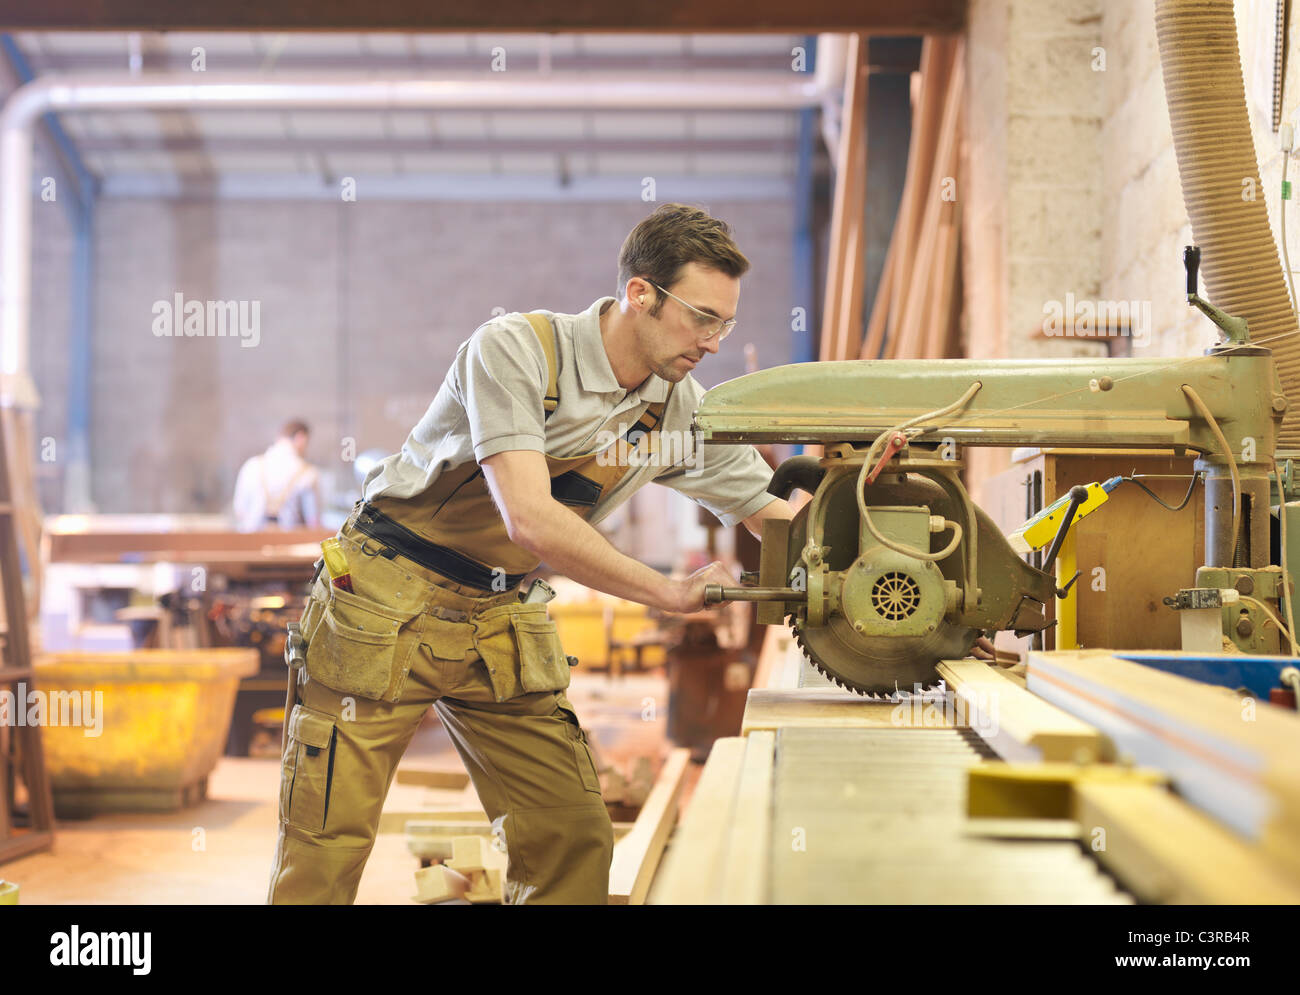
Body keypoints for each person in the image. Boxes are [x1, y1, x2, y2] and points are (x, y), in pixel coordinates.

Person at [267, 204, 795, 905]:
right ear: (641, 294)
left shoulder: (673, 408)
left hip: (495, 617)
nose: (714, 343)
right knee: (326, 850)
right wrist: (668, 591)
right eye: (702, 318)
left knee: (570, 834)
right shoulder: (515, 351)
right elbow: (529, 519)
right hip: (382, 604)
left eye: (724, 324)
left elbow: (770, 509)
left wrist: (856, 540)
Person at [232, 420, 322, 531]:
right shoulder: (308, 473)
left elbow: (239, 510)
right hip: (290, 540)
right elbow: (313, 521)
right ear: (301, 438)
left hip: (251, 537)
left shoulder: (251, 465)